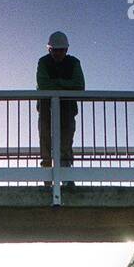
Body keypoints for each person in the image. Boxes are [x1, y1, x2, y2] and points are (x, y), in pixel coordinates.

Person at [36, 31, 84, 171]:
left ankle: (66, 175)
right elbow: (43, 84)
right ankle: (46, 174)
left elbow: (79, 86)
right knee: (45, 138)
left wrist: (55, 84)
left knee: (66, 141)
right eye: (54, 50)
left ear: (66, 50)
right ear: (49, 49)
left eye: (60, 50)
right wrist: (66, 85)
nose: (57, 54)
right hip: (46, 109)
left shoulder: (74, 62)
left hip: (67, 110)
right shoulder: (43, 62)